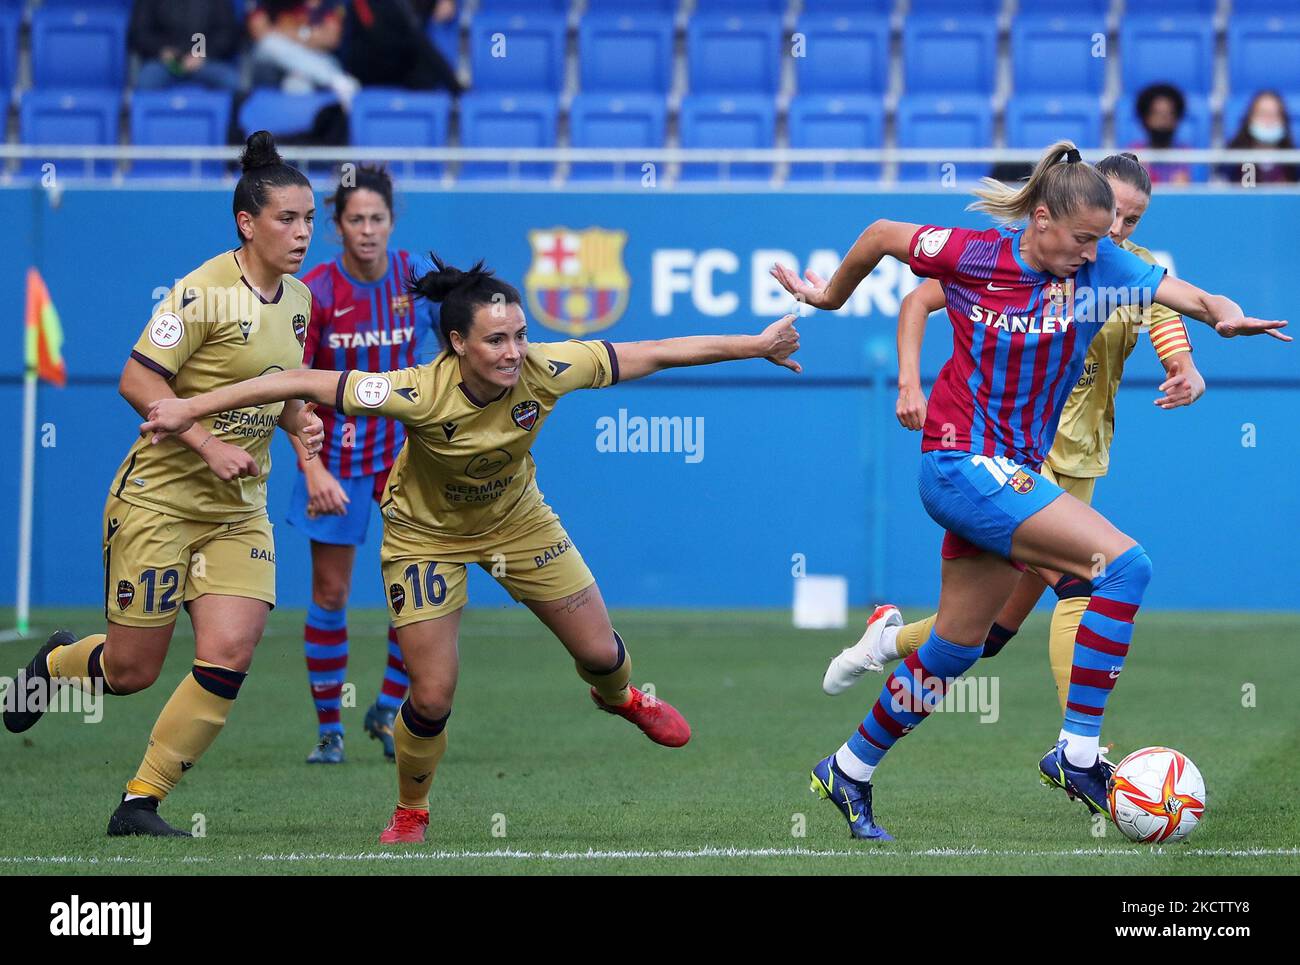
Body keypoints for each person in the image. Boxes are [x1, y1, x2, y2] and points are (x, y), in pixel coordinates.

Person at [140, 258, 803, 844]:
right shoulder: (416, 390)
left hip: (520, 523)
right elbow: (297, 381)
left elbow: (655, 351)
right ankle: (411, 810)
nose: (515, 350)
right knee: (432, 692)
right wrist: (188, 409)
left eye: (518, 334)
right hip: (424, 537)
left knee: (601, 655)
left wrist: (757, 343)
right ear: (457, 343)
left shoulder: (548, 367)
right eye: (496, 340)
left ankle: (624, 697)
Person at [771, 140, 1288, 840]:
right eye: (1081, 238)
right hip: (958, 462)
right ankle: (1077, 754)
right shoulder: (973, 253)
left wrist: (1224, 313)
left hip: (1002, 474)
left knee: (959, 644)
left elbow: (1186, 294)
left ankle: (849, 768)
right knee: (1124, 565)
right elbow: (882, 236)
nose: (1091, 252)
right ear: (1040, 218)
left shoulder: (1103, 267)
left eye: (1103, 239)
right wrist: (828, 296)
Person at [2, 132, 325, 838]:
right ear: (248, 222)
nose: (303, 232)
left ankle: (139, 801)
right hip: (160, 502)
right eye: (288, 219)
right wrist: (207, 444)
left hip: (238, 511)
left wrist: (306, 442)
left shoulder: (299, 300)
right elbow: (136, 378)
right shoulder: (202, 291)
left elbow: (282, 390)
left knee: (231, 649)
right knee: (130, 671)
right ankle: (58, 660)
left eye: (309, 219)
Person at [824, 154, 1204, 738]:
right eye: (1112, 217)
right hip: (996, 458)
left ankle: (882, 663)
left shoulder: (1115, 262)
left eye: (1132, 221)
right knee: (1099, 577)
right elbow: (916, 294)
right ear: (1067, 207)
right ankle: (1079, 751)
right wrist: (907, 380)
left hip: (1070, 458)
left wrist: (1185, 364)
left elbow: (1167, 312)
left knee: (985, 637)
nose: (1118, 233)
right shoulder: (996, 256)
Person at [293, 165, 436, 764]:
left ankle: (388, 708)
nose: (368, 230)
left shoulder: (415, 279)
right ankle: (330, 729)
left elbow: (466, 332)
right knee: (331, 591)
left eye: (378, 218)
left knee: (419, 589)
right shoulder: (317, 291)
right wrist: (312, 469)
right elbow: (294, 386)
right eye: (357, 219)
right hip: (338, 461)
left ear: (392, 223)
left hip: (405, 461)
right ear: (337, 226)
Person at [248, 0, 360, 108]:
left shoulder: (325, 3)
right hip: (269, 70)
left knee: (297, 84)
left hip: (311, 64)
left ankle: (297, 126)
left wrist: (288, 32)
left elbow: (331, 39)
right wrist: (308, 35)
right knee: (269, 44)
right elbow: (260, 33)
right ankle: (334, 78)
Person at [341, 0, 462, 94]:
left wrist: (455, 87)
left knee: (424, 72)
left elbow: (419, 42)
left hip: (402, 69)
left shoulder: (399, 6)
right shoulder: (358, 5)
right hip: (366, 73)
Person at [130, 0, 243, 92]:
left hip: (204, 61)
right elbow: (140, 33)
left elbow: (227, 34)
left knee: (231, 82)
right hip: (164, 62)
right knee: (145, 82)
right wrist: (161, 50)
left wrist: (203, 53)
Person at [1219, 90, 1300, 185]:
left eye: (1274, 115)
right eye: (1262, 114)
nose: (1268, 121)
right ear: (1250, 118)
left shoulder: (1294, 163)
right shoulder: (1232, 162)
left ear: (1283, 120)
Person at [1131, 83, 1194, 185]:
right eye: (1157, 114)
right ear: (1145, 118)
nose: (1163, 120)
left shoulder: (1187, 154)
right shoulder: (1134, 155)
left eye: (1169, 114)